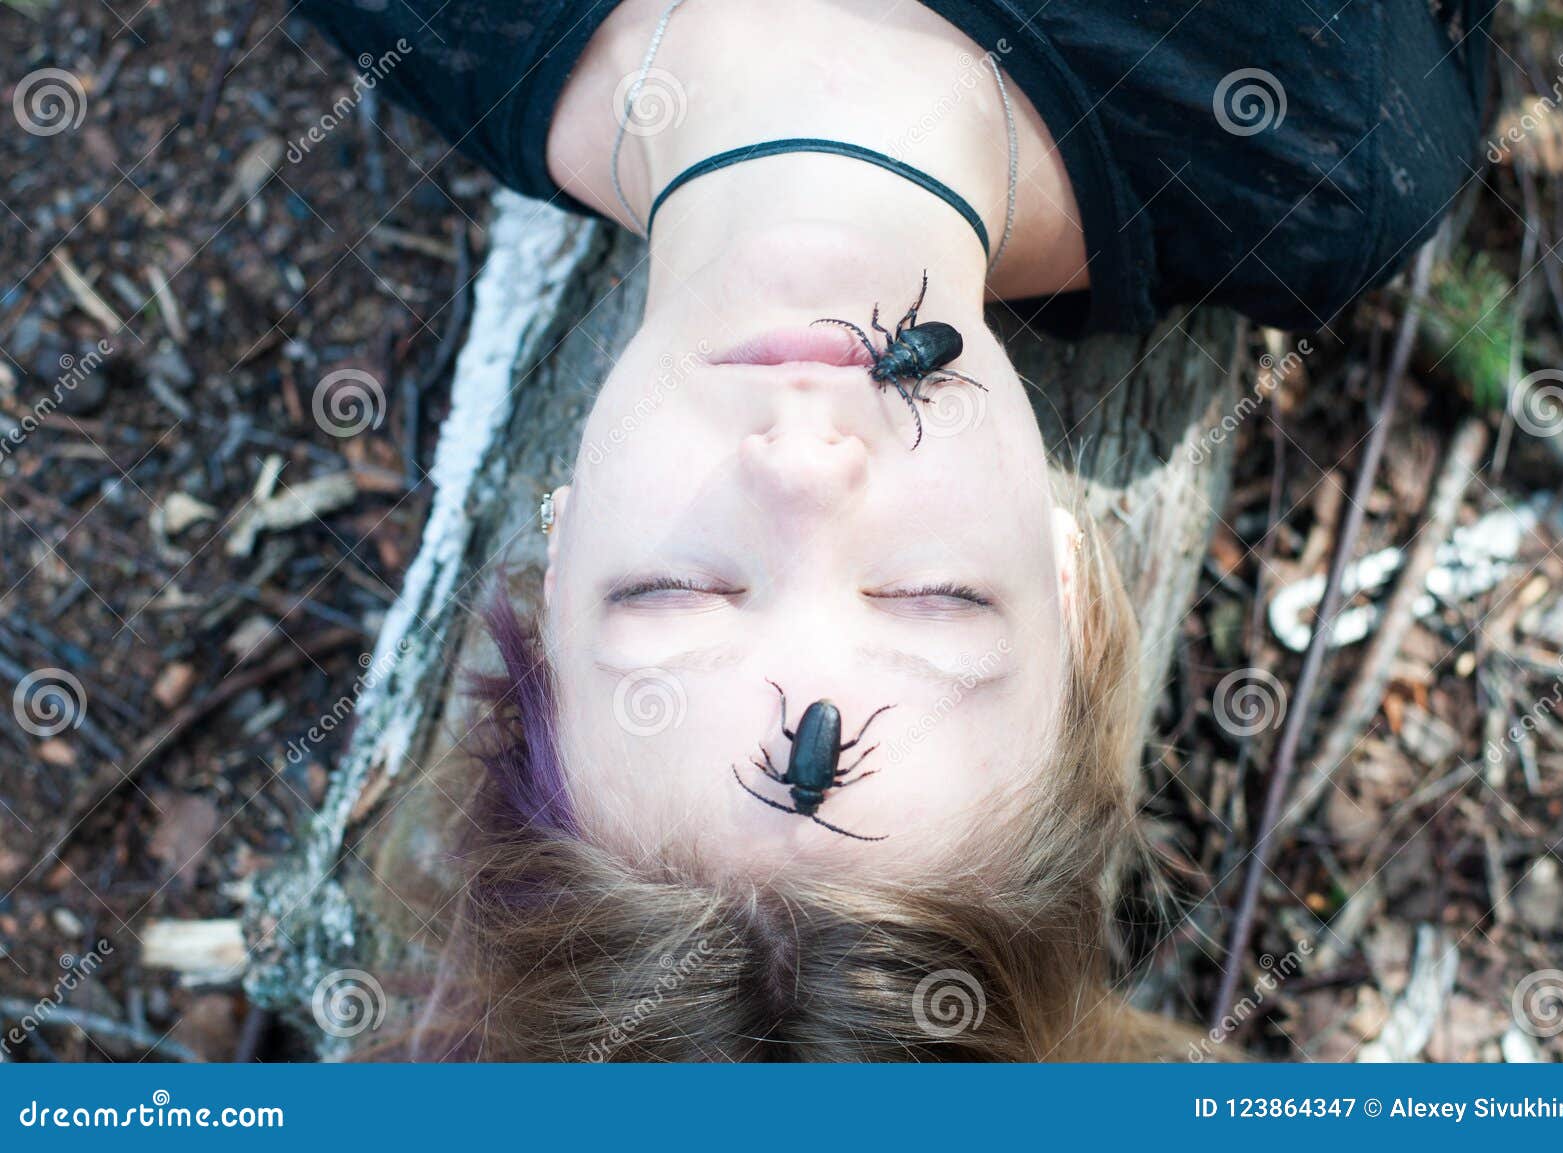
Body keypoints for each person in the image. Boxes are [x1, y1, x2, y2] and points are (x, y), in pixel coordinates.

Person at [300, 0, 1492, 1060]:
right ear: (1074, 594)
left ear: (556, 560)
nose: (806, 468)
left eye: (673, 592)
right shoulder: (1331, 127)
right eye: (934, 599)